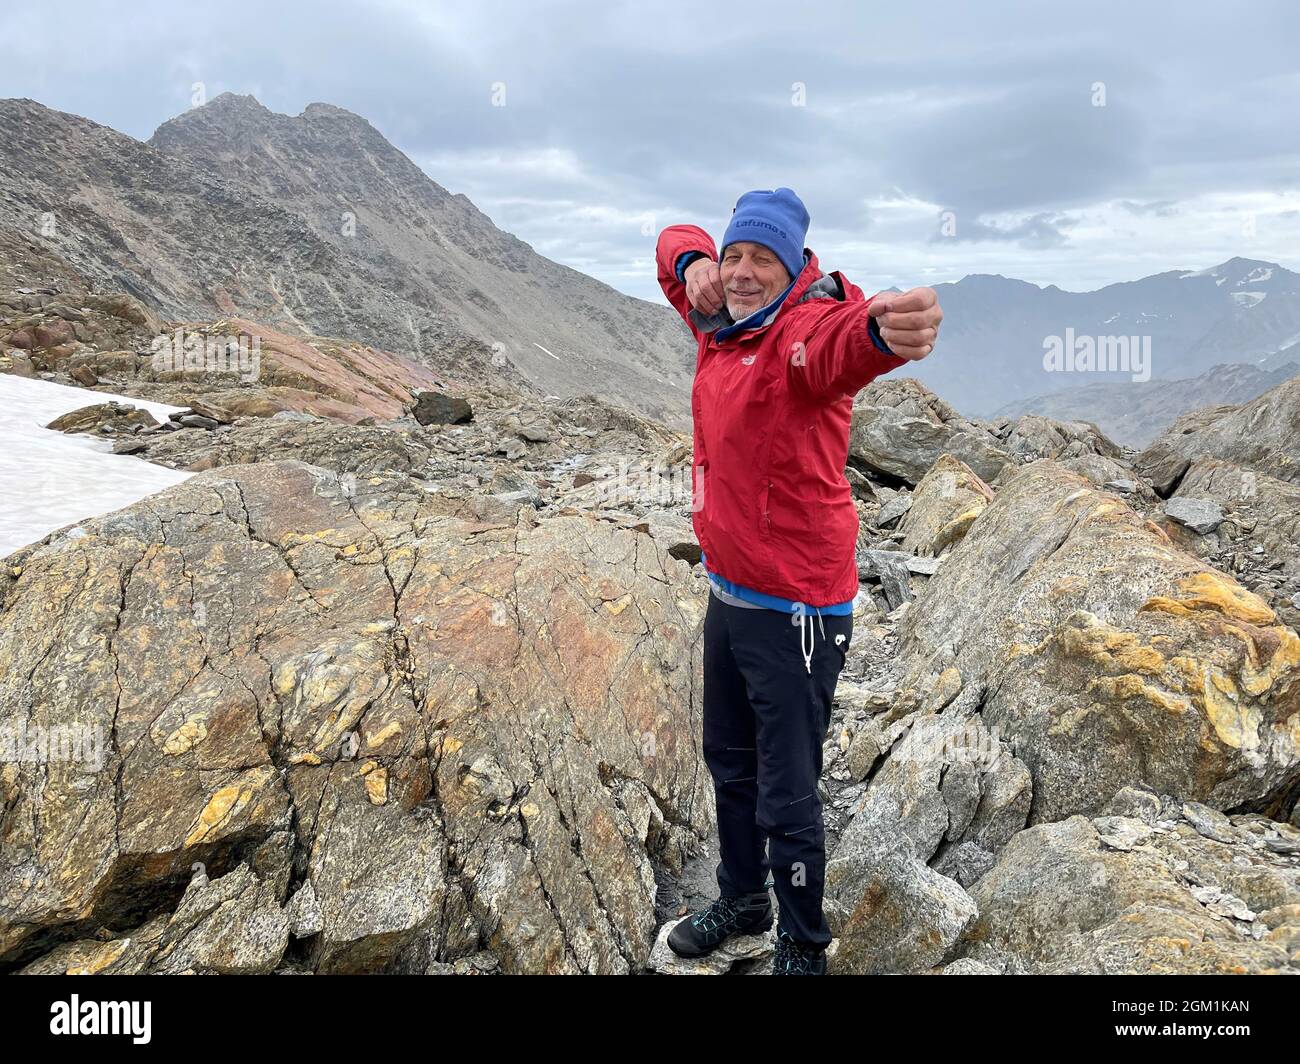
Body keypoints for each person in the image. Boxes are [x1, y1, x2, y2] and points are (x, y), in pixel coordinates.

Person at [655, 188, 942, 975]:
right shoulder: (718, 321)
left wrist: (880, 331)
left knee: (787, 790)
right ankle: (745, 903)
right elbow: (671, 239)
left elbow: (843, 343)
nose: (744, 273)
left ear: (794, 270)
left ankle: (803, 944)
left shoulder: (799, 337)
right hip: (729, 592)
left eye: (763, 260)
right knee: (729, 762)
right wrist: (695, 260)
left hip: (797, 609)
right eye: (735, 255)